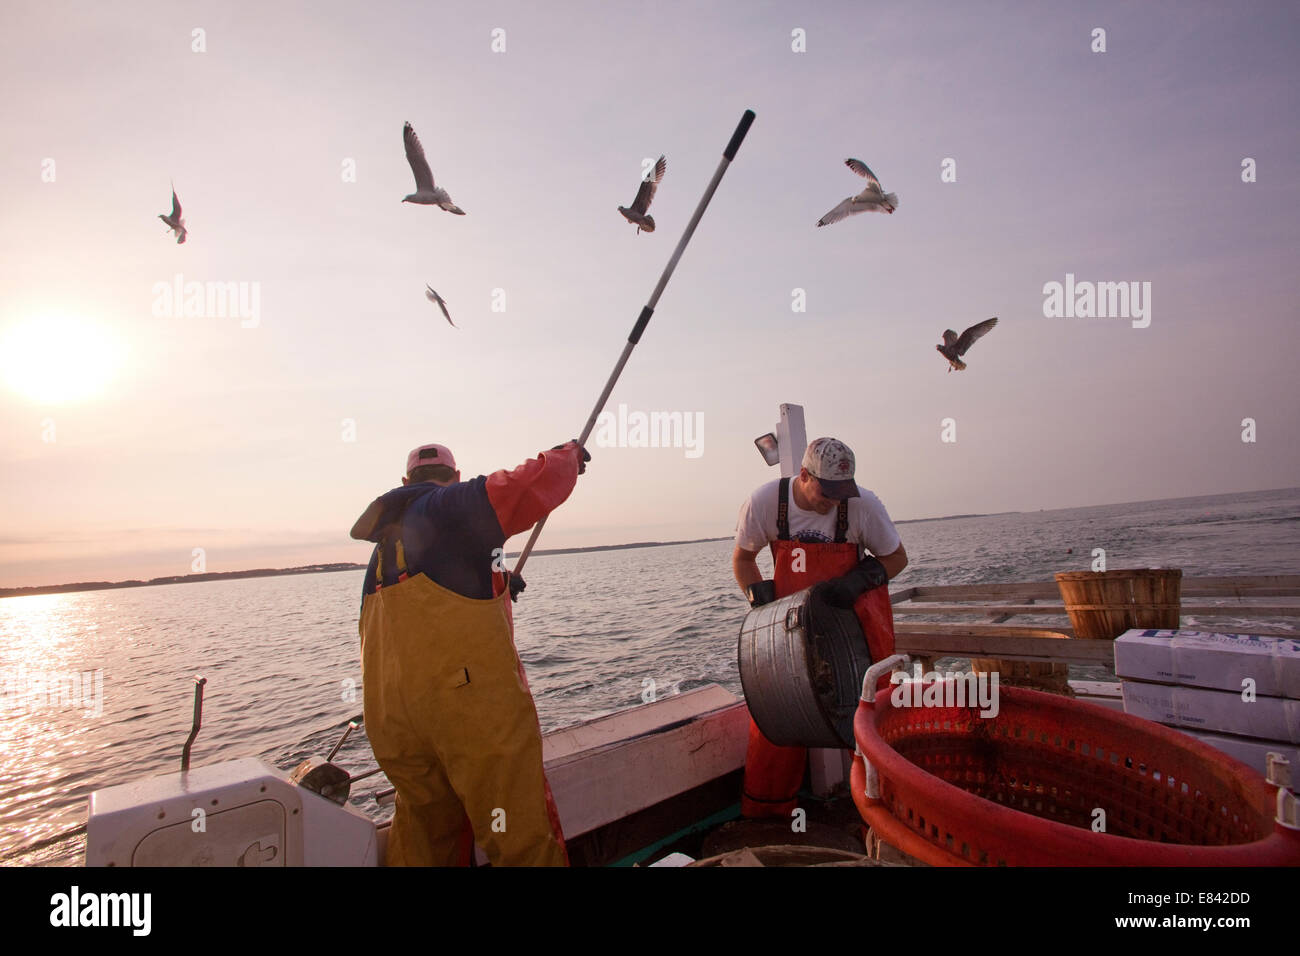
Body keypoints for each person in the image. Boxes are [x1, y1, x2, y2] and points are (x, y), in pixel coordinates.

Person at [350, 439, 589, 866]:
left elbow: (442, 589)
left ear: (405, 482)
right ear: (454, 477)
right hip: (465, 709)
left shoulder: (382, 550)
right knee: (517, 830)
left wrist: (496, 583)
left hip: (391, 719)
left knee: (426, 830)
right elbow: (522, 486)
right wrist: (566, 457)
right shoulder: (447, 505)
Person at [732, 437, 907, 818]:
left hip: (850, 626)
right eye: (827, 492)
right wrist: (763, 609)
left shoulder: (863, 506)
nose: (835, 502)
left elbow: (896, 558)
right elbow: (743, 559)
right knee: (774, 718)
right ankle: (768, 818)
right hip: (791, 630)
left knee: (868, 716)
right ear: (805, 476)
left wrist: (856, 582)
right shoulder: (765, 503)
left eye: (843, 493)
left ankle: (884, 813)